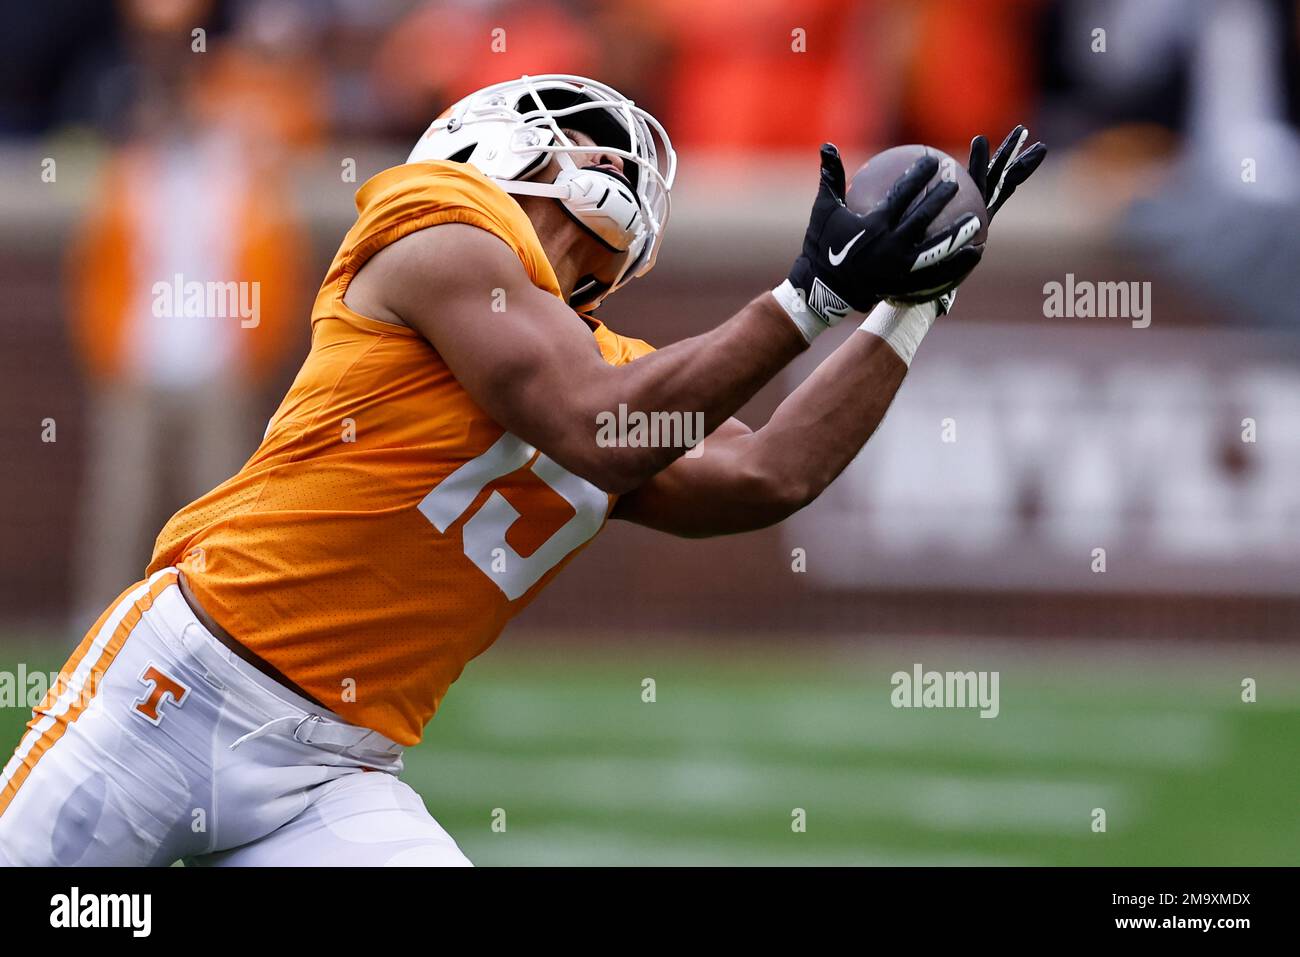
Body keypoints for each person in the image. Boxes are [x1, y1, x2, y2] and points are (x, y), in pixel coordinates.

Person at [0, 75, 1044, 866]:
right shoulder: (433, 228)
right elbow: (591, 430)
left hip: (334, 768)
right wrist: (806, 302)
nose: (607, 164)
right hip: (175, 693)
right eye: (586, 141)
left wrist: (914, 303)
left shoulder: (619, 373)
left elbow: (769, 474)